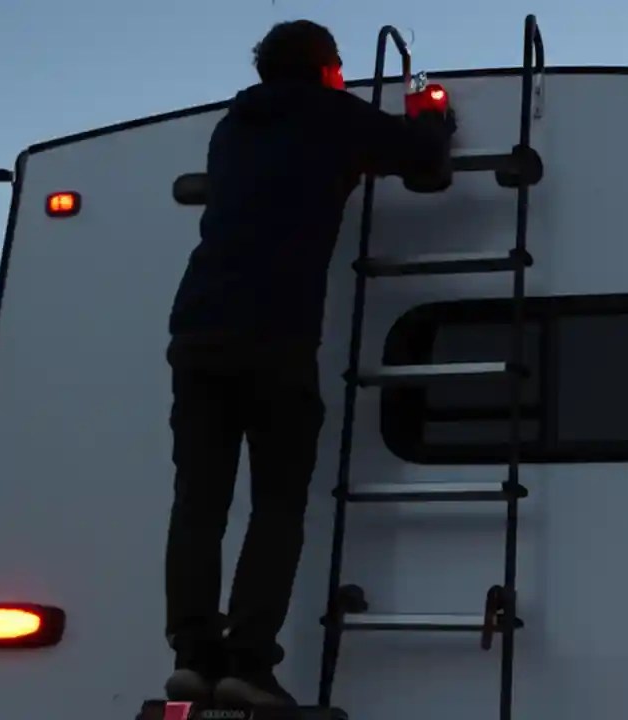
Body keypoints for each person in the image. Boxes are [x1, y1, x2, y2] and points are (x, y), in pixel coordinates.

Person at [162, 19, 457, 710]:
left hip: (196, 328)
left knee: (199, 503)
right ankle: (248, 663)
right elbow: (426, 168)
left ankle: (191, 653)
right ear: (328, 69)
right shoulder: (331, 112)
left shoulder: (231, 128)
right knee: (277, 504)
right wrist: (433, 117)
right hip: (275, 335)